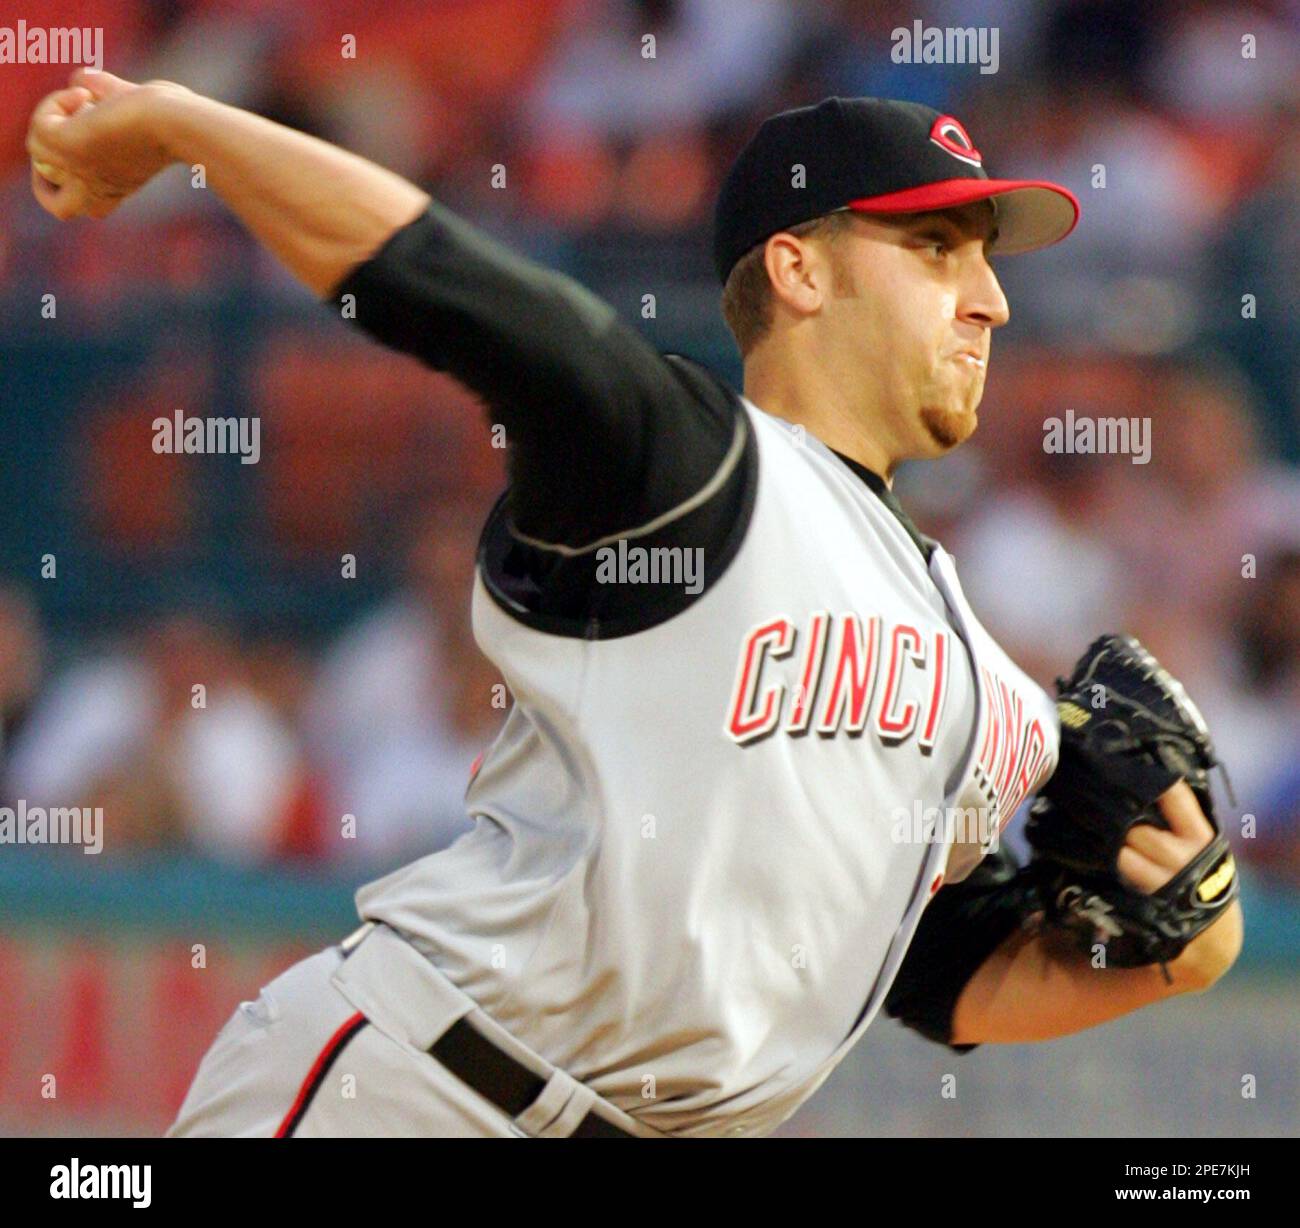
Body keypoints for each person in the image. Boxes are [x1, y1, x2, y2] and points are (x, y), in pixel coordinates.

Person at [27, 74, 1242, 1138]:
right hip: (419, 1093)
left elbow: (947, 976)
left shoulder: (973, 660)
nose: (990, 300)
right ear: (797, 266)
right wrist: (193, 126)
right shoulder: (695, 471)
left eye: (985, 257)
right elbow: (465, 293)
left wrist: (1170, 957)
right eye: (936, 249)